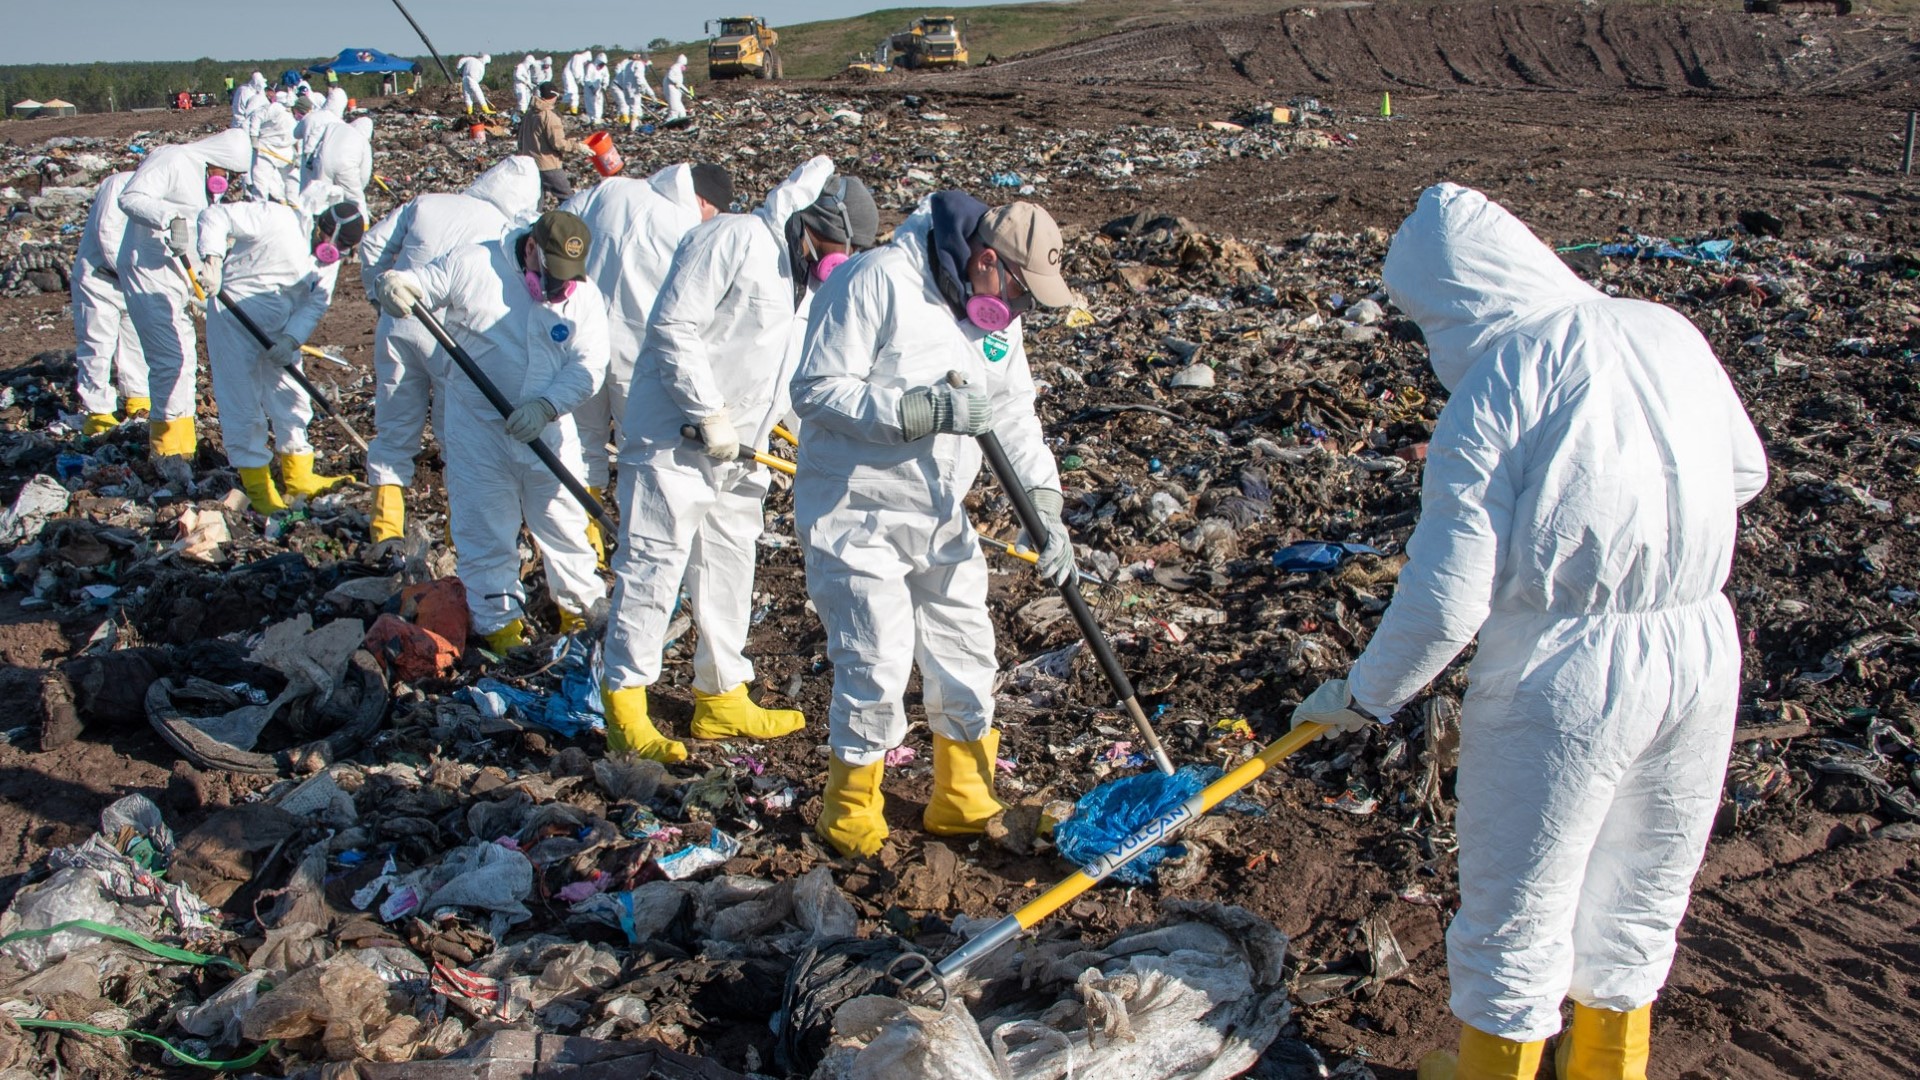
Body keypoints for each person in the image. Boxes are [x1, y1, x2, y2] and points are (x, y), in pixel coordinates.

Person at [1285, 184, 1769, 1080]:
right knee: (1642, 884)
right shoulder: (1666, 329)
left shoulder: (1507, 375)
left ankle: (1494, 1070)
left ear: (1455, 299)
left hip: (1565, 668)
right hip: (1701, 644)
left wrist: (1365, 695)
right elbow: (1745, 471)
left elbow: (1448, 597)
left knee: (1522, 898)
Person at [791, 192, 1076, 857]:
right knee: (876, 659)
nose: (1022, 308)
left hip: (941, 512)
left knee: (967, 649)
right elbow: (816, 389)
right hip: (856, 511)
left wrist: (1046, 507)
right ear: (985, 262)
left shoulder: (999, 318)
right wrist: (920, 412)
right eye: (1021, 291)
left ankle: (964, 795)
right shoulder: (878, 281)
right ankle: (851, 807)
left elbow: (1013, 415)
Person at [599, 158, 875, 762]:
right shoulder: (736, 239)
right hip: (675, 438)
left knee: (729, 564)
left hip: (740, 449)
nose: (836, 262)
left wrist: (821, 441)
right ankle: (625, 704)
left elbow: (794, 373)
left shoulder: (806, 287)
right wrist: (707, 411)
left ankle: (721, 696)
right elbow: (673, 327)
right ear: (809, 226)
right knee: (653, 564)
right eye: (833, 248)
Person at [374, 211, 609, 652]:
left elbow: (589, 366)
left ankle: (579, 614)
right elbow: (422, 285)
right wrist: (398, 286)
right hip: (480, 433)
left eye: (567, 279)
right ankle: (501, 630)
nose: (558, 289)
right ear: (531, 248)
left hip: (548, 431)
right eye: (551, 275)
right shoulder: (475, 265)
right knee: (486, 530)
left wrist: (546, 406)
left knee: (565, 524)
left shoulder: (585, 298)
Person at [358, 156, 542, 545]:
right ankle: (459, 530)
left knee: (394, 428)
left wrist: (381, 296)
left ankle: (386, 529)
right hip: (452, 340)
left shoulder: (427, 203)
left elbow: (372, 243)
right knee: (455, 437)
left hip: (400, 322)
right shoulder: (506, 230)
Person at [559, 161, 729, 563]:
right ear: (704, 201)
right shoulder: (691, 229)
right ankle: (641, 552)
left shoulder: (611, 191)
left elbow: (558, 226)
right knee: (642, 456)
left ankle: (586, 545)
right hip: (638, 356)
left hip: (578, 340)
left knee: (584, 447)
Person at [195, 198, 365, 512]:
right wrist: (213, 260)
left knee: (292, 397)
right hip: (233, 317)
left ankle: (299, 475)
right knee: (243, 403)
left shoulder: (330, 261)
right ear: (319, 226)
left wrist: (291, 339)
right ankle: (259, 490)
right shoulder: (277, 219)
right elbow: (215, 215)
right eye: (327, 241)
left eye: (340, 249)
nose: (329, 251)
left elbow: (315, 303)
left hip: (280, 331)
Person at [117, 128, 254, 460]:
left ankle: (183, 444)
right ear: (215, 161)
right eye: (227, 174)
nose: (227, 182)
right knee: (170, 360)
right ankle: (166, 450)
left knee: (186, 358)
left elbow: (197, 231)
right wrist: (168, 218)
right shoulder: (173, 158)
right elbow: (130, 198)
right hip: (149, 273)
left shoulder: (205, 183)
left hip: (179, 275)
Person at [72, 171, 149, 435]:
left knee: (135, 341)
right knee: (97, 343)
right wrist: (131, 273)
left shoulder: (163, 190)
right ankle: (99, 411)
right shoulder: (120, 184)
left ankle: (138, 398)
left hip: (133, 279)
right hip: (100, 278)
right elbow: (107, 232)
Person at [518, 83, 592, 203]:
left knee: (536, 200)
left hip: (531, 164)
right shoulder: (550, 116)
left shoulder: (530, 113)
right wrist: (578, 147)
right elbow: (558, 143)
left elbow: (520, 139)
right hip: (548, 164)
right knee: (567, 198)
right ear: (553, 96)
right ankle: (568, 220)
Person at [301, 116, 373, 214]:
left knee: (322, 194)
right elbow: (365, 173)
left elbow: (316, 134)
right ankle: (363, 225)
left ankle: (315, 222)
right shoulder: (364, 141)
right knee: (356, 201)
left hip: (323, 161)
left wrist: (309, 154)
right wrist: (359, 187)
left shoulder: (335, 126)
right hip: (347, 167)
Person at [246, 89, 297, 202]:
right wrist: (253, 136)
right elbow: (256, 116)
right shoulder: (276, 108)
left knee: (291, 179)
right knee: (261, 181)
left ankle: (292, 203)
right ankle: (260, 206)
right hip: (267, 148)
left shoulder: (291, 114)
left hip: (286, 149)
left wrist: (298, 153)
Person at [610, 54, 650, 128]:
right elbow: (639, 78)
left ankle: (629, 121)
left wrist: (651, 93)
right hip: (618, 86)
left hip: (625, 87)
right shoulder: (635, 65)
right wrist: (641, 87)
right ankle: (626, 121)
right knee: (624, 105)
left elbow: (643, 81)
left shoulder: (633, 65)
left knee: (632, 106)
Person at [583, 53, 610, 125]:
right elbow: (587, 79)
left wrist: (604, 86)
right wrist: (592, 88)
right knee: (590, 103)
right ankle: (591, 119)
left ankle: (597, 119)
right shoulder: (591, 67)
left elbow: (606, 77)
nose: (602, 65)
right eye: (601, 64)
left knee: (599, 103)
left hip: (599, 89)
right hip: (589, 89)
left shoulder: (604, 68)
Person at [663, 55, 690, 124]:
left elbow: (680, 84)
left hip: (676, 91)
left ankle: (682, 119)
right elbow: (671, 76)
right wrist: (676, 82)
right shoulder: (675, 67)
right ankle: (669, 121)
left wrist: (687, 92)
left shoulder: (678, 70)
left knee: (681, 110)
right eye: (684, 65)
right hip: (671, 90)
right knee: (674, 108)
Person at [564, 49, 592, 114]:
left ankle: (573, 110)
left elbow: (581, 75)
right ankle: (563, 109)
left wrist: (582, 83)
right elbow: (576, 71)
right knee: (570, 93)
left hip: (572, 78)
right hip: (569, 77)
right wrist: (581, 82)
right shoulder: (578, 57)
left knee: (574, 94)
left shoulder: (580, 61)